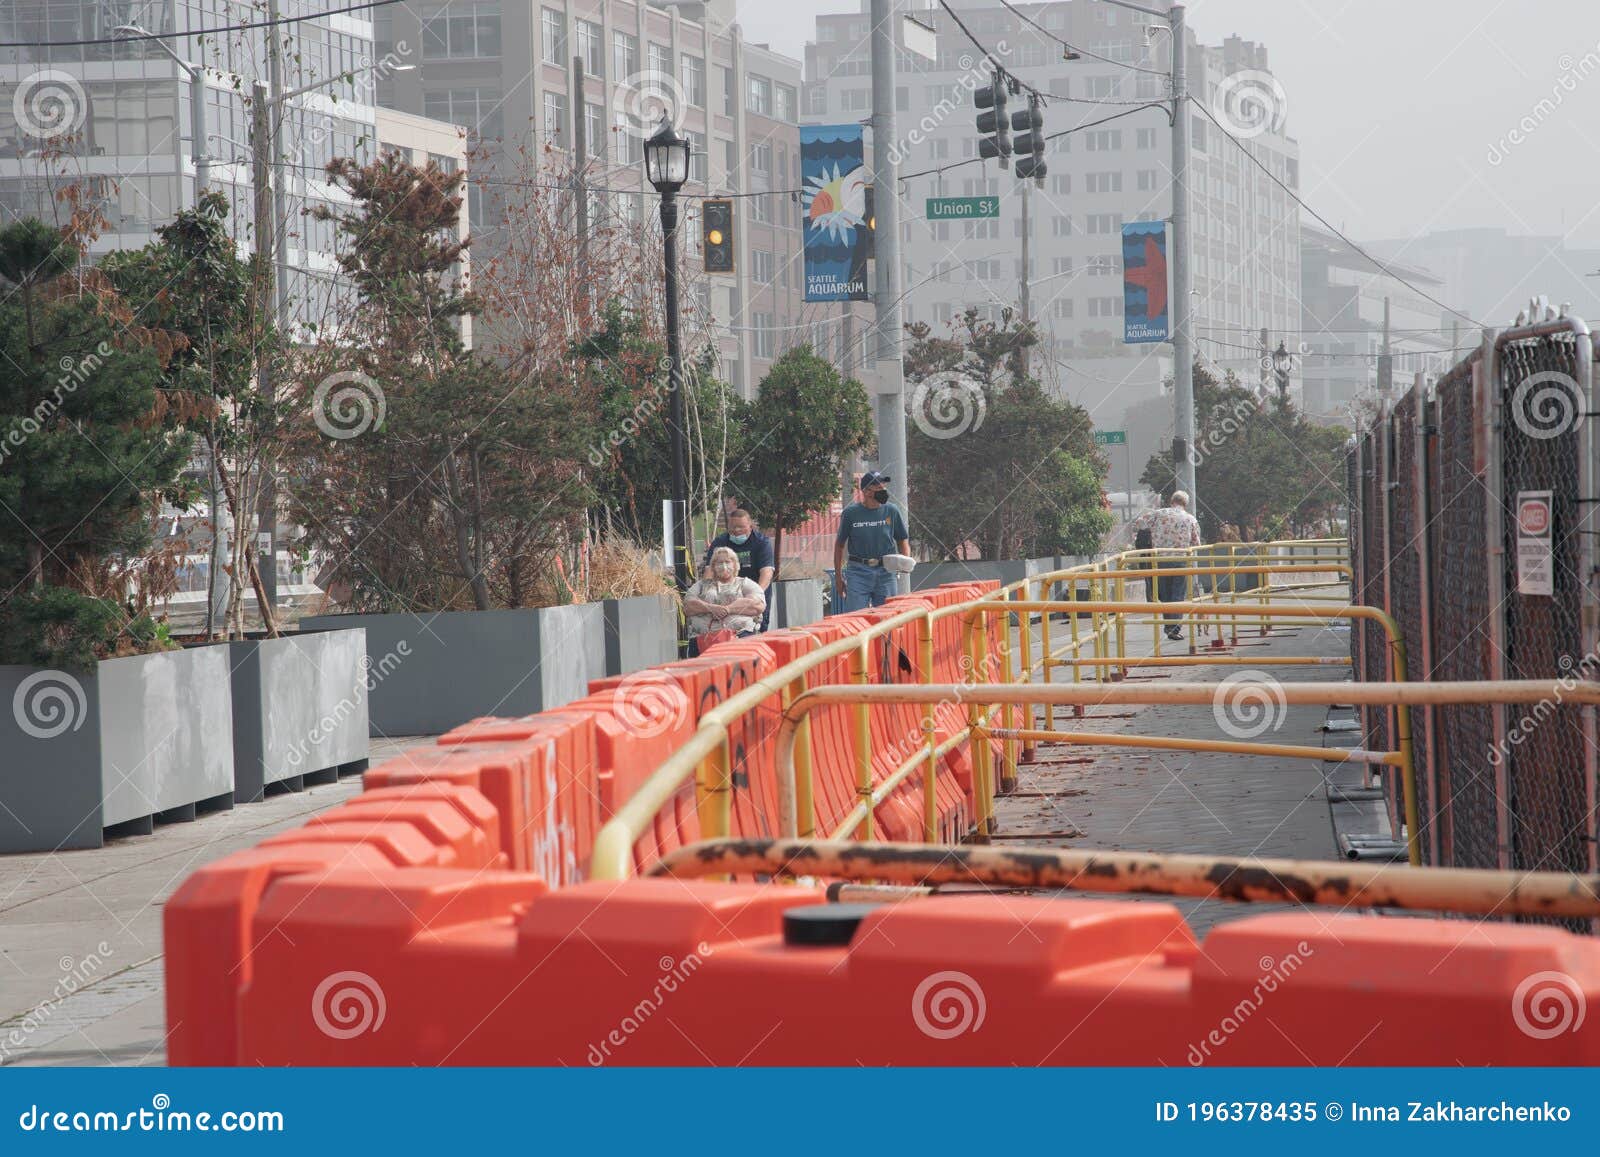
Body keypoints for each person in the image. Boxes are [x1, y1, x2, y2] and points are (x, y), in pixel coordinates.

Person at [832, 470, 911, 612]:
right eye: (879, 488)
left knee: (887, 619)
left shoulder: (892, 511)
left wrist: (904, 563)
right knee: (856, 617)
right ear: (866, 492)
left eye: (884, 487)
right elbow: (839, 545)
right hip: (858, 572)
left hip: (886, 572)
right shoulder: (851, 513)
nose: (884, 491)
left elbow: (902, 540)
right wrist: (838, 577)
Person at [1132, 490, 1203, 641]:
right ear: (1185, 504)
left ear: (1172, 501)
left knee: (1164, 595)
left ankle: (1168, 626)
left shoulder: (1158, 514)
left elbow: (1138, 523)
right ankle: (1174, 628)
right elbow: (1196, 543)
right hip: (1181, 560)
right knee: (1177, 594)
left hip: (1161, 560)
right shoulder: (1190, 519)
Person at [701, 507, 774, 630]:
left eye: (741, 527)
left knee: (755, 632)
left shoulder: (761, 543)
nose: (736, 530)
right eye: (733, 527)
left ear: (750, 526)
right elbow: (709, 571)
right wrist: (707, 595)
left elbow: (767, 572)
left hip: (753, 600)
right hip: (725, 599)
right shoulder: (719, 542)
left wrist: (756, 595)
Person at [683, 546, 767, 652]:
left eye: (727, 562)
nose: (724, 566)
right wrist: (710, 608)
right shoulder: (700, 586)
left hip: (740, 637)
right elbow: (687, 607)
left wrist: (728, 609)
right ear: (713, 566)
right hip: (703, 641)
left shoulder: (745, 583)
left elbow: (758, 606)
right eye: (719, 563)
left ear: (735, 565)